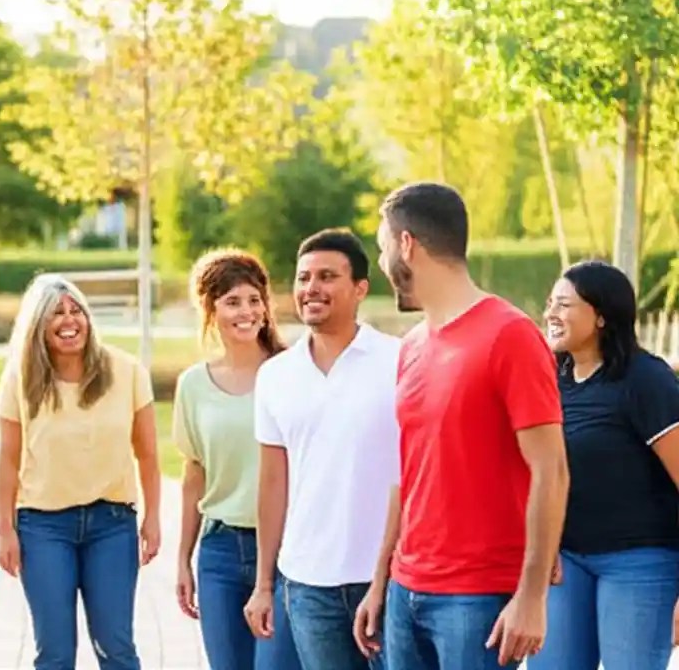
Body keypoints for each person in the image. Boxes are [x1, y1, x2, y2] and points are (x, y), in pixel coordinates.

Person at [353, 181, 569, 669]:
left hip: (476, 598)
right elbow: (409, 472)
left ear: (407, 243)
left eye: (384, 247)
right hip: (406, 590)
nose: (383, 261)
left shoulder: (510, 335)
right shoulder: (411, 345)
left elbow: (551, 469)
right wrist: (381, 579)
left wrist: (531, 596)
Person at [244, 229, 399, 670]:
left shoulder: (399, 360)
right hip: (308, 583)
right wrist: (264, 583)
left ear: (360, 289)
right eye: (303, 277)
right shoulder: (275, 375)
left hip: (389, 579)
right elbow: (273, 483)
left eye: (327, 276)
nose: (311, 288)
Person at [0, 273, 161, 670]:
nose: (69, 320)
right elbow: (8, 460)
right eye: (56, 313)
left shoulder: (127, 371)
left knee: (116, 648)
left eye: (76, 311)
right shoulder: (20, 378)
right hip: (43, 528)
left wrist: (153, 518)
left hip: (112, 525)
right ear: (38, 324)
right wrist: (4, 530)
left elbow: (149, 455)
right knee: (54, 653)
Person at [527, 260, 679, 670]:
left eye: (564, 305)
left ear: (601, 316)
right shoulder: (551, 380)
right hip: (565, 560)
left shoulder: (646, 380)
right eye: (550, 303)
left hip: (640, 562)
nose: (551, 314)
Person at [171, 249, 301, 670]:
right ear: (210, 310)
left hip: (286, 550)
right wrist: (183, 559)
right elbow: (194, 475)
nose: (247, 312)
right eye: (232, 302)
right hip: (220, 552)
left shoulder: (292, 373)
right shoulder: (193, 385)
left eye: (254, 299)